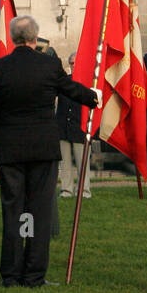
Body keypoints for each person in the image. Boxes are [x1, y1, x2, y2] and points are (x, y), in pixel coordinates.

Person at [0, 15, 98, 288]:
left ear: (13, 38)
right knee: (37, 211)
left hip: (10, 148)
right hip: (43, 148)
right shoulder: (49, 65)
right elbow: (70, 89)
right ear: (36, 38)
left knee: (14, 210)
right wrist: (93, 96)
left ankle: (11, 274)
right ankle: (33, 274)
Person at [57, 52, 92, 199]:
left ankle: (84, 190)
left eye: (76, 63)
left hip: (81, 127)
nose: (74, 65)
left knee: (82, 162)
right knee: (64, 163)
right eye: (71, 63)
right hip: (63, 127)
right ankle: (66, 190)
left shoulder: (89, 83)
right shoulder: (63, 82)